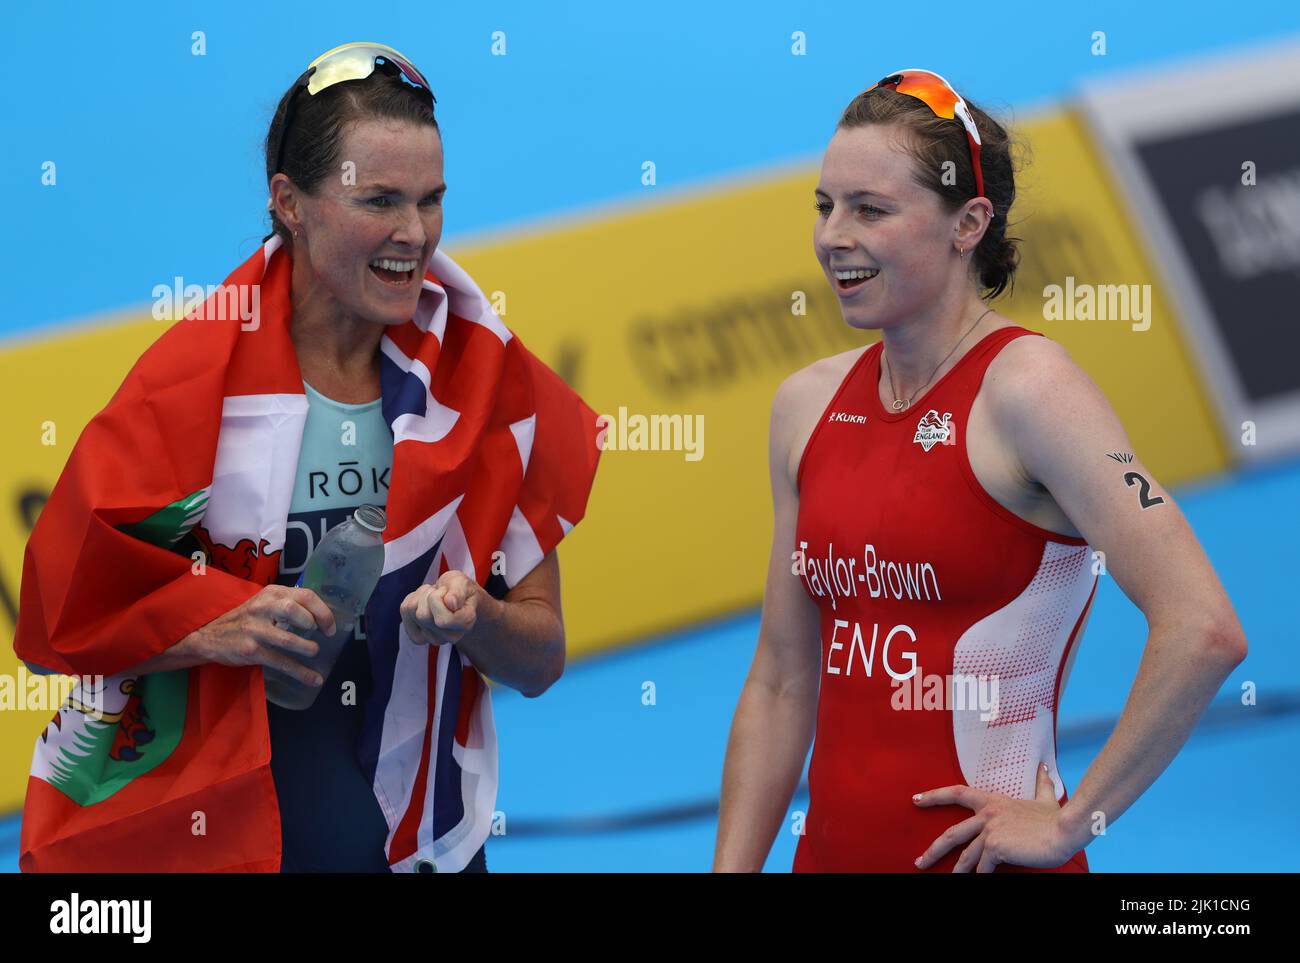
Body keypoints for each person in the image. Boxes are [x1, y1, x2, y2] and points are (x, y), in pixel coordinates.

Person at [14, 43, 600, 873]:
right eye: (380, 200)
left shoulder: (481, 378)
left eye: (432, 201)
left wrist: (480, 620)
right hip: (227, 825)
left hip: (426, 835)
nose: (415, 234)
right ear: (290, 202)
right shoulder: (188, 391)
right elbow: (53, 629)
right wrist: (211, 623)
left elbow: (541, 660)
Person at [713, 69, 1247, 872]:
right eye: (826, 206)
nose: (833, 236)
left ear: (968, 222)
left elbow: (1203, 627)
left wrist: (1072, 823)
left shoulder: (1031, 392)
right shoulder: (805, 404)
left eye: (871, 209)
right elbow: (783, 678)